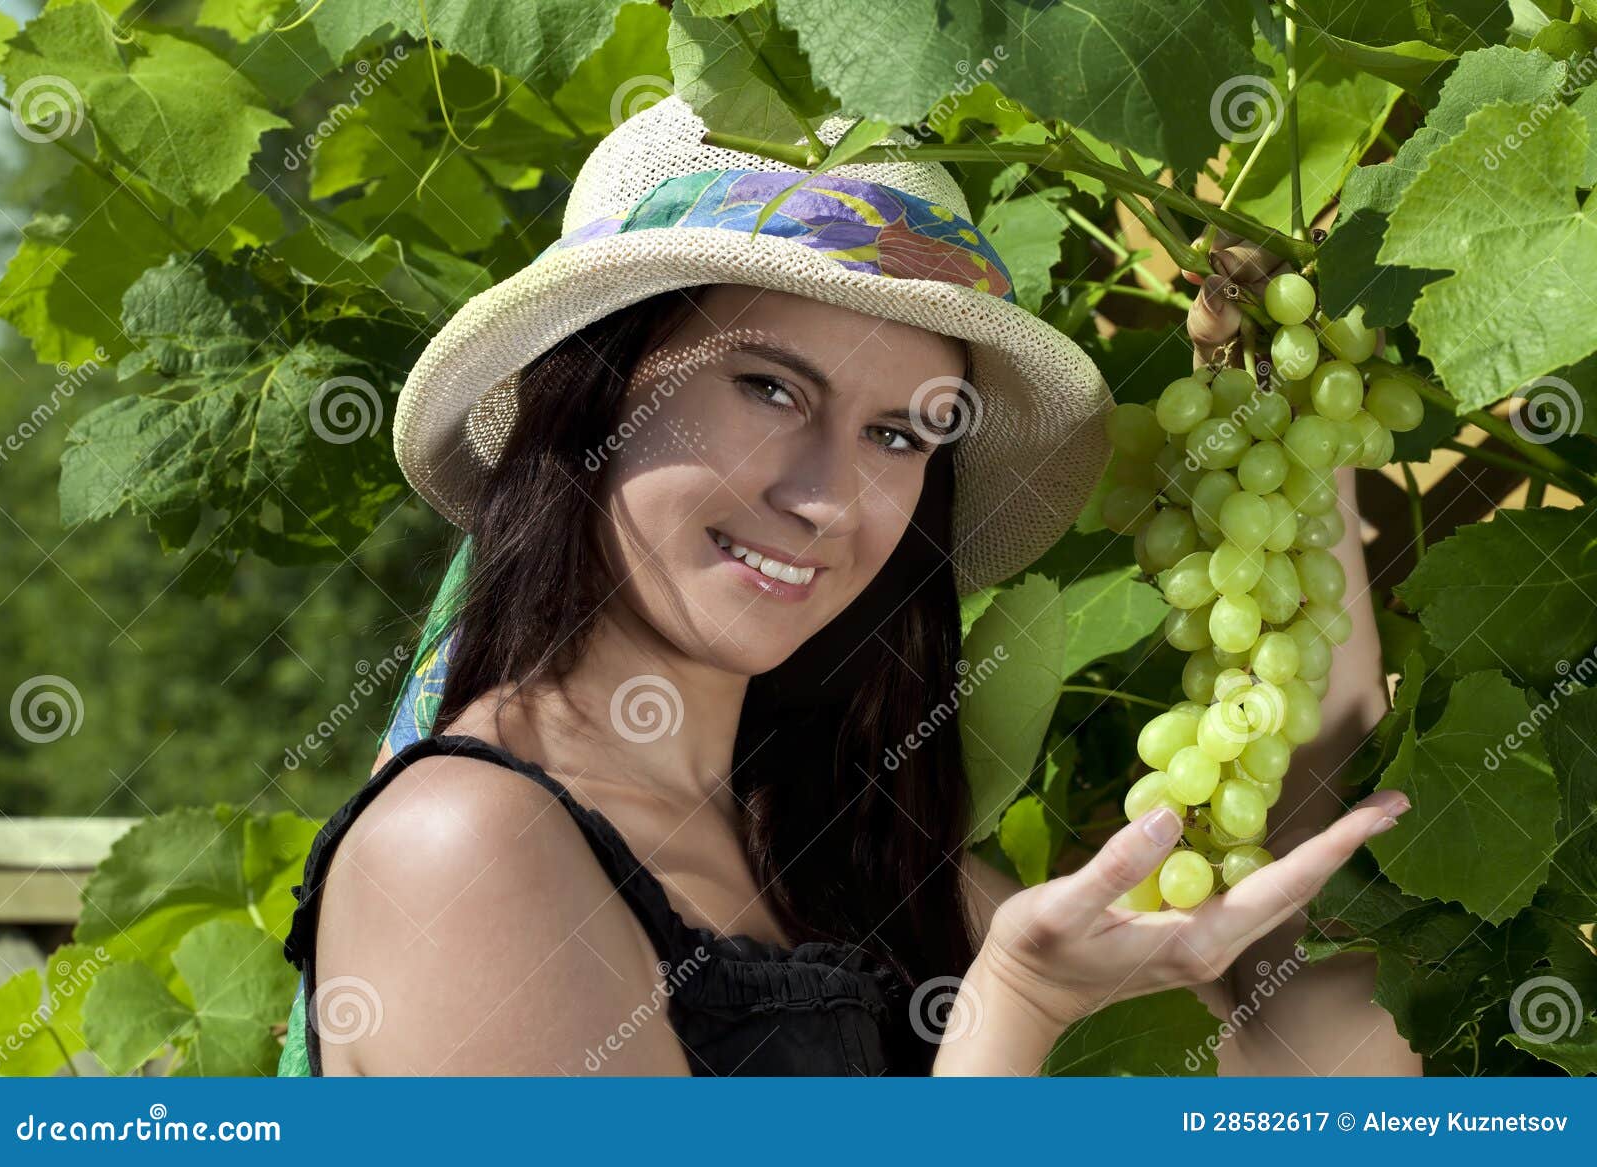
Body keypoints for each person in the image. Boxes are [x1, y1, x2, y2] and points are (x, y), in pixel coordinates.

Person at [277, 96, 1415, 1077]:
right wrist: (1009, 1011)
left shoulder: (831, 846)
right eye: (770, 390)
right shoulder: (461, 851)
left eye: (898, 436)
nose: (829, 499)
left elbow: (1241, 933)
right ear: (594, 394)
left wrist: (1289, 425)